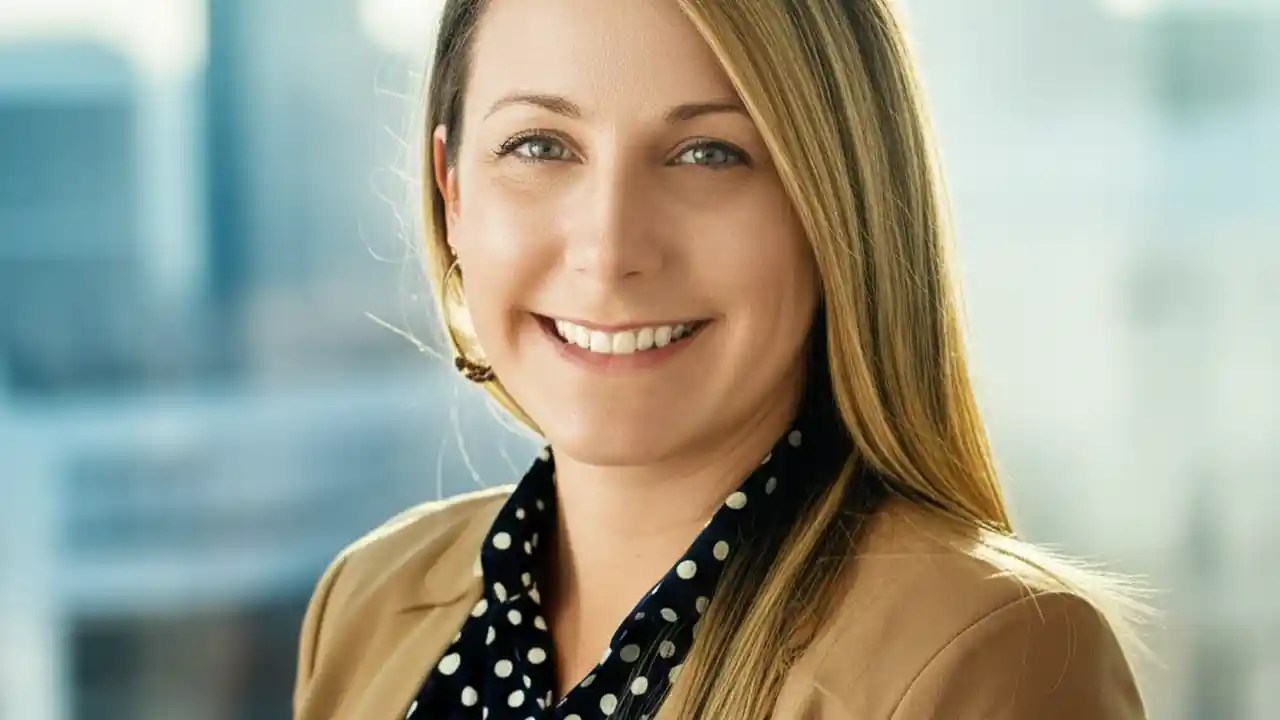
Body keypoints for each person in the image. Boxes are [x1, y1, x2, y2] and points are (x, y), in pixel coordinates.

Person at [292, 0, 1152, 717]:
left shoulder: (993, 658)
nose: (609, 248)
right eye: (540, 146)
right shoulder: (365, 603)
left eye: (709, 155)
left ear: (834, 208)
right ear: (452, 191)